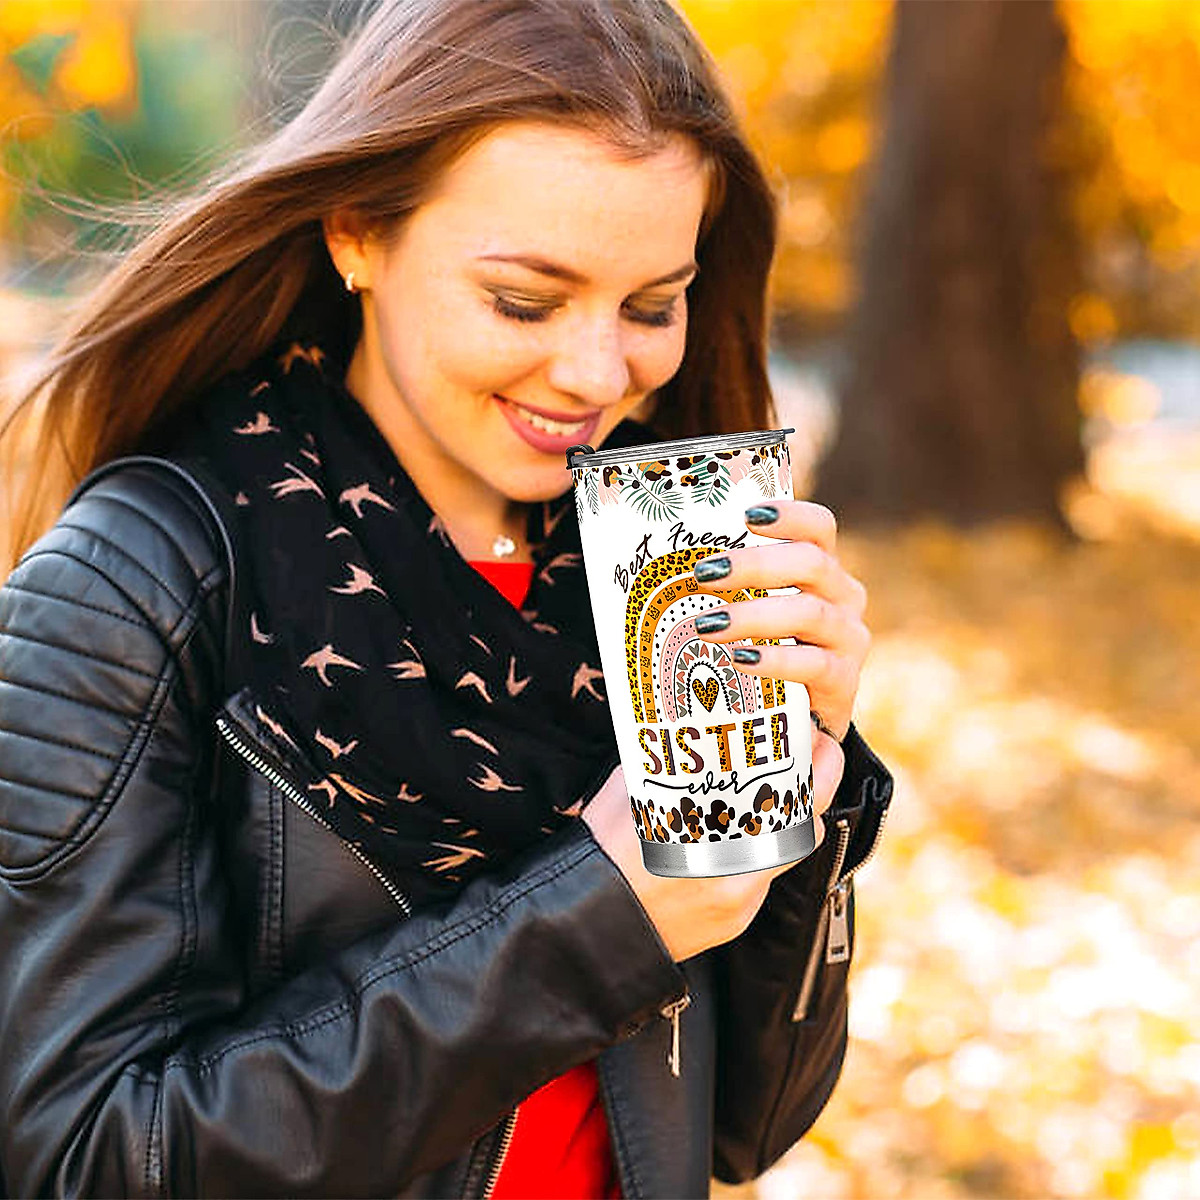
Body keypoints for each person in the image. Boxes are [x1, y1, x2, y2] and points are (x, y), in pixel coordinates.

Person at [0, 1, 892, 1196]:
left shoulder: (666, 569)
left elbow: (747, 1125)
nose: (596, 373)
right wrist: (596, 924)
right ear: (357, 233)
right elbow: (86, 1160)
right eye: (525, 300)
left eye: (651, 306)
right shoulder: (135, 590)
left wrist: (805, 786)